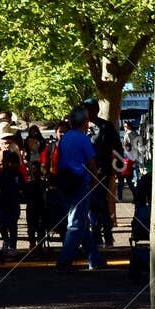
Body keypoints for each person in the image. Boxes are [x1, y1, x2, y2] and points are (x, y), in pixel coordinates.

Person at [55, 106, 103, 272]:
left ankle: (94, 258)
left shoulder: (65, 138)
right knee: (76, 223)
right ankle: (64, 260)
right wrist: (95, 182)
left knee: (81, 221)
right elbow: (92, 164)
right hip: (80, 182)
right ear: (85, 121)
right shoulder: (83, 139)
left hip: (64, 182)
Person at [86, 99, 121, 245]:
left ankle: (104, 234)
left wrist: (116, 167)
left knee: (99, 201)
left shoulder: (106, 126)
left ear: (96, 109)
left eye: (89, 109)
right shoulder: (80, 127)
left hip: (102, 170)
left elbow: (117, 147)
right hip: (85, 171)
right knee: (93, 204)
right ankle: (100, 234)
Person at [0, 146, 25, 256]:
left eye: (16, 162)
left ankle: (13, 246)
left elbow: (23, 187)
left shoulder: (18, 175)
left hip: (14, 203)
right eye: (12, 162)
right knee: (2, 224)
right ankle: (6, 241)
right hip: (2, 203)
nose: (15, 165)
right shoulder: (1, 175)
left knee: (13, 226)